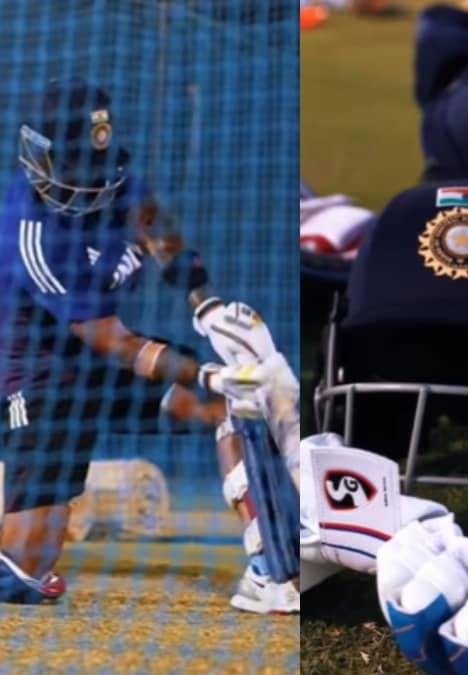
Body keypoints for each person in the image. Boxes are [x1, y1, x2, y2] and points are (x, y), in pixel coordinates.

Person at [0, 78, 275, 605]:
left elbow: (163, 237)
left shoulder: (120, 183)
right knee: (23, 571)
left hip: (93, 362)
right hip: (38, 379)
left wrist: (206, 305)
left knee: (229, 406)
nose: (91, 184)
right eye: (78, 171)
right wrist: (205, 370)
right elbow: (112, 340)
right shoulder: (33, 230)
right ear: (40, 157)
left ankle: (270, 559)